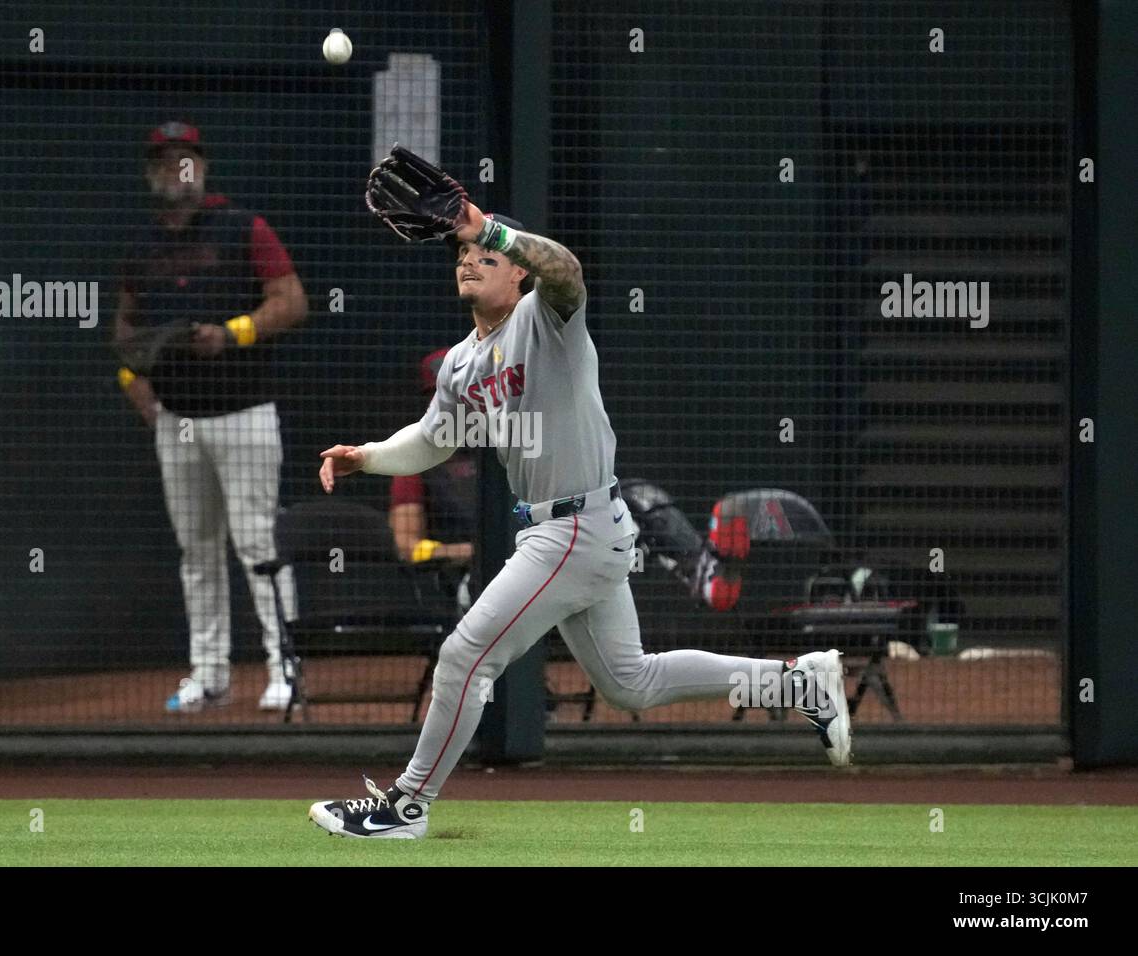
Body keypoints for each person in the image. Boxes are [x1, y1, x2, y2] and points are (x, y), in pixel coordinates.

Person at [309, 161, 852, 839]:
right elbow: (433, 439)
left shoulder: (547, 319)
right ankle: (799, 684)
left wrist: (490, 228)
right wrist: (369, 458)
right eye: (462, 251)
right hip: (566, 530)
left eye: (485, 253)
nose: (470, 259)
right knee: (632, 683)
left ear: (516, 273)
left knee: (465, 656)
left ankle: (406, 806)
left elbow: (565, 268)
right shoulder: (459, 362)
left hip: (573, 527)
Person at [114, 122, 308, 713]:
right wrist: (135, 385)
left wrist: (231, 333)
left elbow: (291, 301)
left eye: (186, 160)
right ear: (151, 174)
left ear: (203, 168)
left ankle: (285, 669)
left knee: (256, 541)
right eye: (164, 162)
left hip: (244, 412)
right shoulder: (142, 244)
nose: (176, 170)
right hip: (178, 419)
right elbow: (123, 332)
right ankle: (209, 674)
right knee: (195, 549)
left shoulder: (243, 227)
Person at [388, 348, 477, 611]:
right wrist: (467, 553)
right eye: (438, 398)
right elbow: (406, 546)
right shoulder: (413, 460)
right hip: (456, 581)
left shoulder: (508, 448)